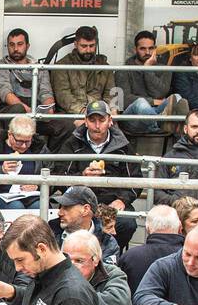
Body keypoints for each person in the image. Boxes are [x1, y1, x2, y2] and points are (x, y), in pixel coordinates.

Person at [54, 101, 140, 247]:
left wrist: (122, 200)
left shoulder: (123, 146)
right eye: (92, 120)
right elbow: (59, 176)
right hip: (79, 203)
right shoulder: (72, 143)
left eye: (102, 120)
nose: (97, 125)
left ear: (110, 121)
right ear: (85, 121)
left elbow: (136, 180)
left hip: (111, 202)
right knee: (62, 222)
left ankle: (109, 257)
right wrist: (82, 178)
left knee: (127, 224)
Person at [49, 25, 115, 144]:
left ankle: (122, 159)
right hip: (70, 114)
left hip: (100, 113)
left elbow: (112, 93)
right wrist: (86, 114)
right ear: (75, 44)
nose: (88, 50)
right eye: (84, 46)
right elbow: (63, 97)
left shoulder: (105, 66)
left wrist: (111, 110)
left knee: (114, 127)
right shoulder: (62, 65)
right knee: (72, 128)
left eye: (92, 46)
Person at [0, 28, 55, 146]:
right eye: (11, 45)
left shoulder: (39, 67)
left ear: (27, 45)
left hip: (36, 111)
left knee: (65, 125)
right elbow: (5, 92)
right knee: (18, 110)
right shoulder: (0, 65)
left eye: (20, 44)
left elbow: (46, 92)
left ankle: (48, 160)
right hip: (11, 109)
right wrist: (28, 111)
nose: (15, 49)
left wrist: (48, 109)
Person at [119, 30, 188, 134]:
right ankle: (160, 123)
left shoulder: (164, 69)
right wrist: (153, 102)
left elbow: (160, 93)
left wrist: (147, 69)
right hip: (132, 119)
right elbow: (123, 100)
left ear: (155, 49)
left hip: (157, 112)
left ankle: (159, 123)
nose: (147, 52)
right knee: (141, 103)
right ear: (135, 49)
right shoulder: (123, 70)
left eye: (151, 48)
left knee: (177, 97)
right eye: (143, 49)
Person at [0, 114, 47, 210]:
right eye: (19, 141)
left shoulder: (39, 148)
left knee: (40, 206)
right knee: (16, 206)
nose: (24, 146)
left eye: (28, 141)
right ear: (10, 135)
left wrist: (37, 186)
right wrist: (1, 170)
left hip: (30, 196)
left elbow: (52, 175)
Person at [49, 186, 120, 260]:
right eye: (61, 207)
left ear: (85, 209)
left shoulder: (107, 242)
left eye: (66, 207)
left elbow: (107, 271)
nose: (60, 213)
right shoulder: (48, 234)